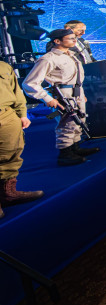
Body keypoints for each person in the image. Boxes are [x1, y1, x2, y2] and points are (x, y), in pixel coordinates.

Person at [22, 29, 100, 166]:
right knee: (67, 123)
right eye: (70, 38)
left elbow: (76, 78)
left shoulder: (72, 55)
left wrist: (81, 94)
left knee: (79, 120)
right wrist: (47, 98)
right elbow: (30, 83)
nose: (74, 40)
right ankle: (65, 154)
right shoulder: (48, 59)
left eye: (74, 37)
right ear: (57, 41)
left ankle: (75, 148)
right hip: (63, 95)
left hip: (76, 93)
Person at [0, 60, 43, 218]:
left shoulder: (4, 67)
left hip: (6, 115)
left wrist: (22, 114)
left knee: (12, 154)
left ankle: (8, 194)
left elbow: (16, 93)